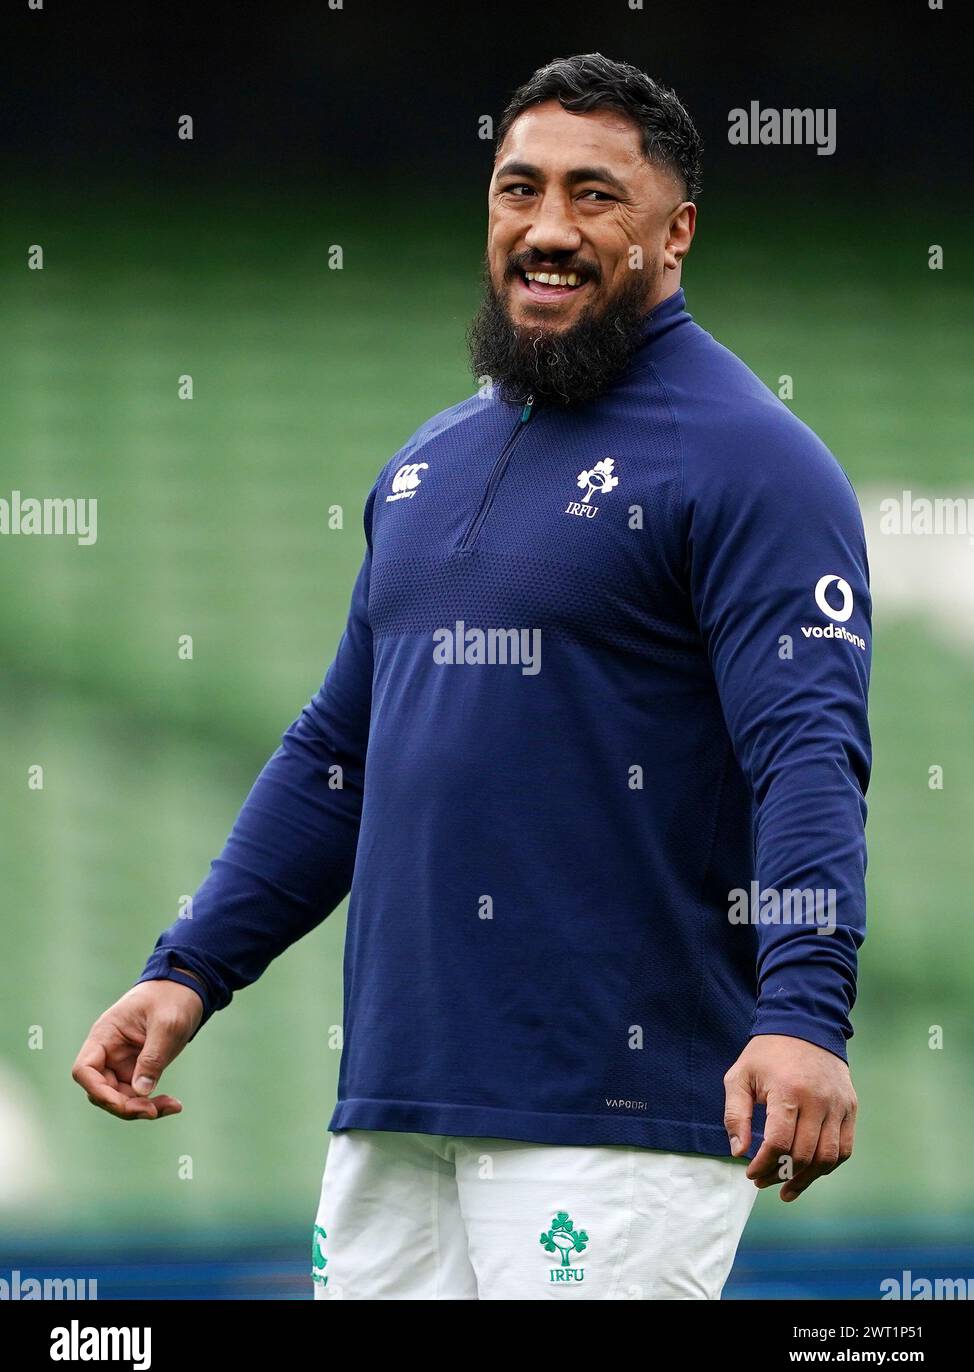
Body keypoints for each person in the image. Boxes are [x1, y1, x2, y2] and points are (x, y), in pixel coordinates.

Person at [72, 53, 871, 1300]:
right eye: (518, 189)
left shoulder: (751, 461)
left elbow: (808, 759)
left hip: (616, 1110)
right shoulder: (427, 461)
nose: (546, 229)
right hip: (396, 1100)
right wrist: (189, 967)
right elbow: (338, 754)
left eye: (593, 196)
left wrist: (804, 1015)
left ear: (676, 233)